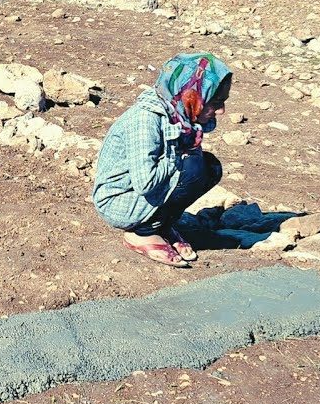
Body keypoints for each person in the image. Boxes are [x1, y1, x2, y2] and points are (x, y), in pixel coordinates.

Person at [91, 53, 231, 266]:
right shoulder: (145, 120)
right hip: (119, 201)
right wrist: (180, 157)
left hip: (140, 193)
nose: (221, 111)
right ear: (191, 94)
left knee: (209, 167)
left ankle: (161, 226)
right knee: (193, 168)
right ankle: (142, 233)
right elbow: (145, 182)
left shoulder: (177, 112)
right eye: (216, 102)